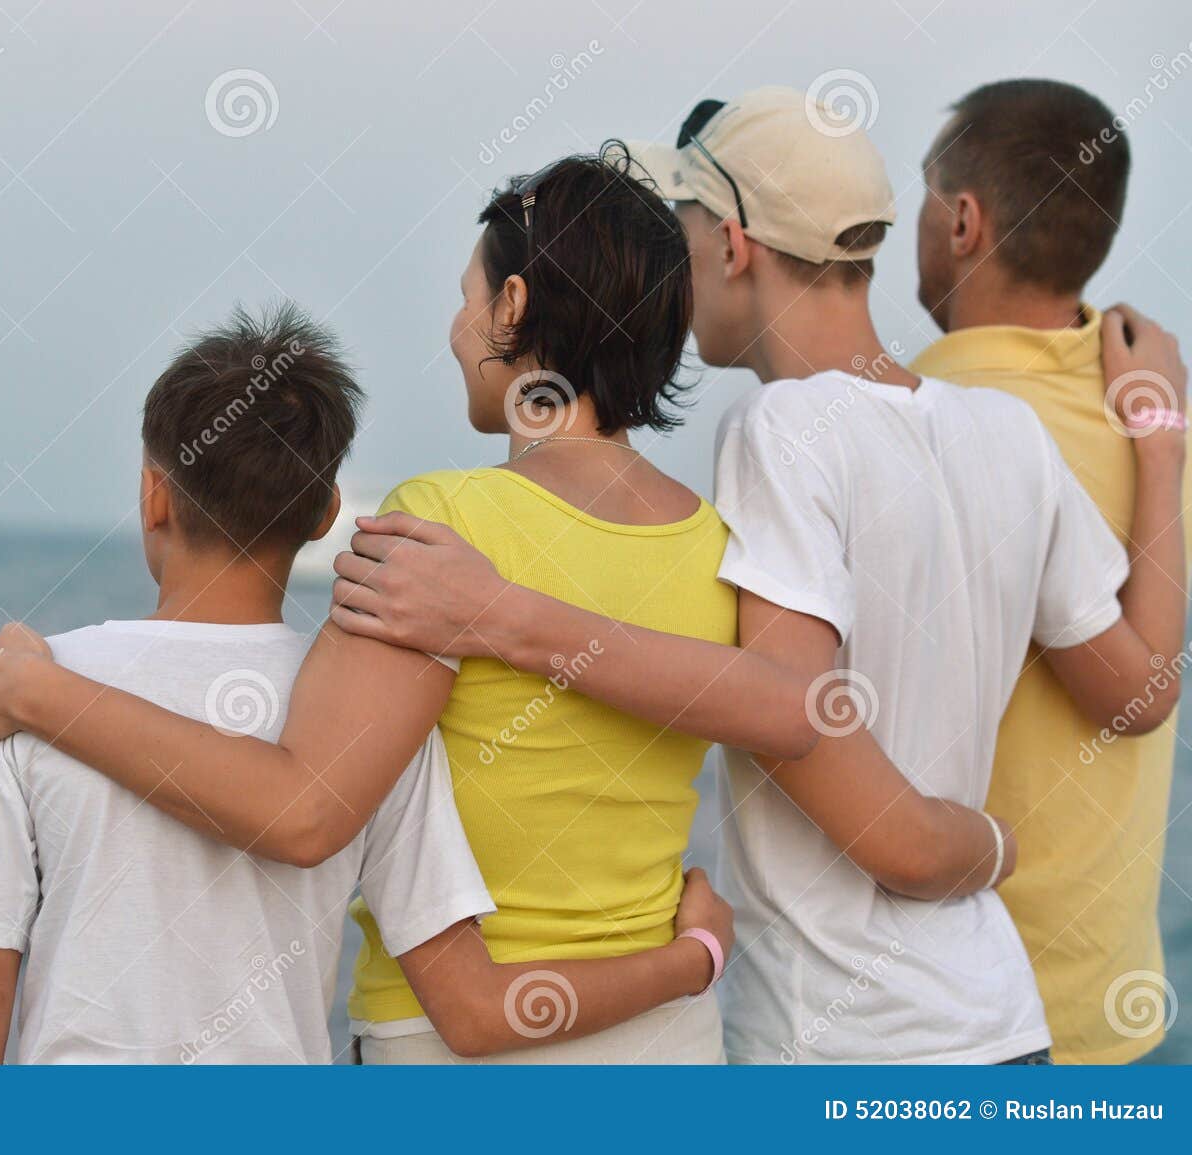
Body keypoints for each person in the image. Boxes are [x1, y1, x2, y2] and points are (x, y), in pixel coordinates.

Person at [321, 88, 1186, 1064]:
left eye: (682, 236)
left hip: (850, 1039)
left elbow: (809, 733)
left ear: (730, 245)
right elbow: (1143, 690)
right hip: (997, 1013)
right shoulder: (1006, 433)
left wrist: (990, 846)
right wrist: (1161, 444)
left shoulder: (780, 430)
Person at [0, 147, 761, 1063]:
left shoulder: (442, 526)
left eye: (469, 298)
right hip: (671, 1045)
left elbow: (302, 809)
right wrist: (694, 955)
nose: (457, 330)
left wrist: (40, 694)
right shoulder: (716, 548)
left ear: (514, 306)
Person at [912, 79, 1189, 1063]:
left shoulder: (903, 421)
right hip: (1117, 1011)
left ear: (961, 219)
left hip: (960, 1025)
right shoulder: (1152, 409)